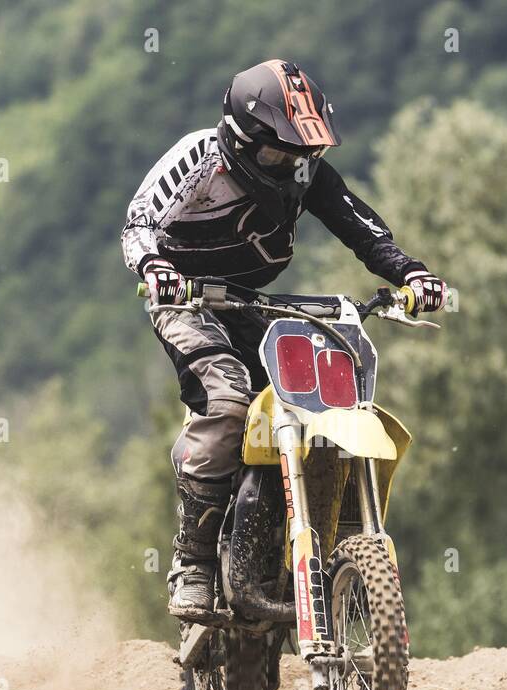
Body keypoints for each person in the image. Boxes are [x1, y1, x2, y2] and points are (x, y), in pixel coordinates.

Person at [121, 59, 445, 621]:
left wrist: (411, 274)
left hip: (253, 300)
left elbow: (359, 225)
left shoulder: (304, 170)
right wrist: (154, 267)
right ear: (240, 140)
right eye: (278, 153)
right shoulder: (200, 158)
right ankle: (193, 564)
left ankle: (297, 539)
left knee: (311, 405)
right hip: (187, 301)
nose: (292, 165)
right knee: (228, 403)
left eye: (303, 154)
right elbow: (138, 223)